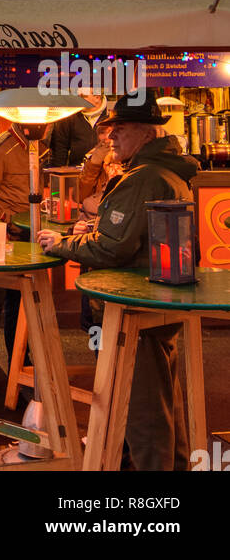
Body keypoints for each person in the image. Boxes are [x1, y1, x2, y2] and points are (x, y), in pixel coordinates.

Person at [37, 92, 198, 471]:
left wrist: (63, 243)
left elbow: (112, 248)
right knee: (160, 402)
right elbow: (130, 233)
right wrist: (95, 228)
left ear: (146, 133)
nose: (110, 137)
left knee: (144, 413)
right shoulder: (158, 171)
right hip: (154, 300)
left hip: (132, 304)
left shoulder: (145, 177)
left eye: (119, 129)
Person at [0, 121, 49, 392]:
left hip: (30, 236)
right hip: (4, 238)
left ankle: (20, 360)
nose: (47, 124)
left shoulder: (39, 146)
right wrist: (0, 221)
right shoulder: (2, 148)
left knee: (21, 302)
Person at [48, 92, 106, 167]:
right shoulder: (68, 116)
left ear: (97, 97)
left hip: (107, 170)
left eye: (82, 96)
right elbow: (59, 148)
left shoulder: (111, 116)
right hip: (76, 171)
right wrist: (58, 171)